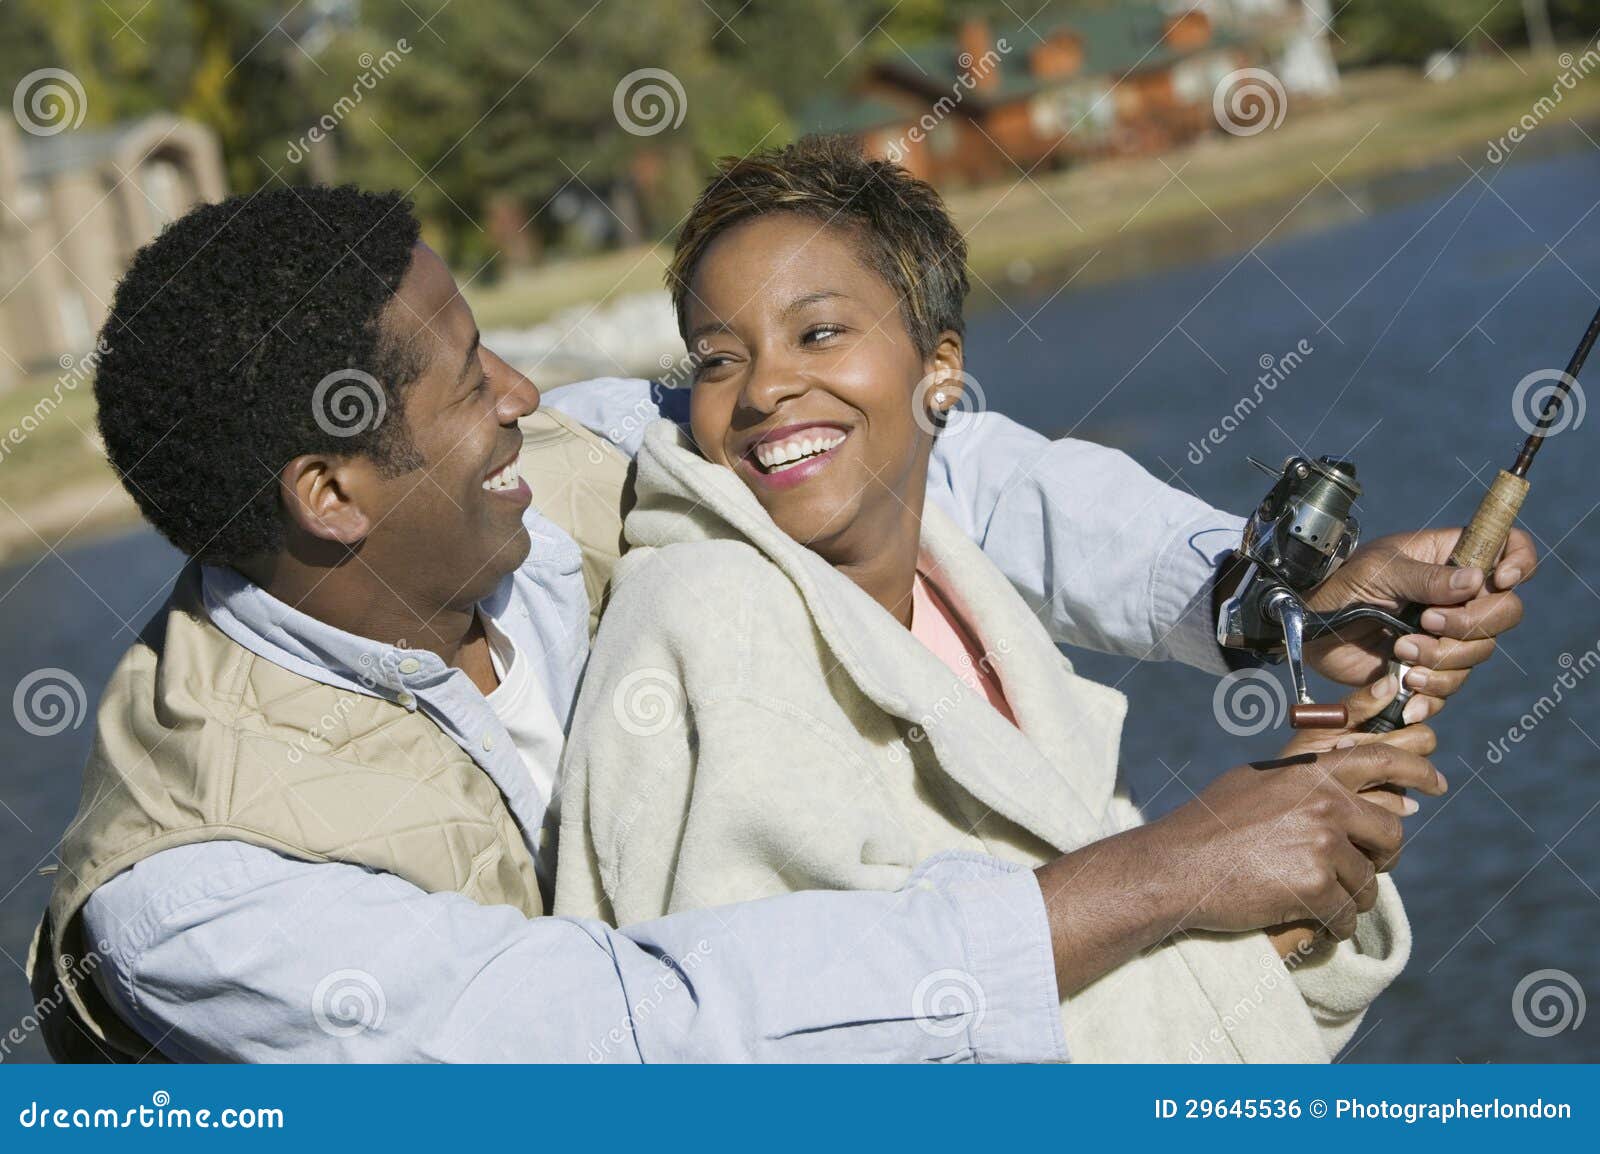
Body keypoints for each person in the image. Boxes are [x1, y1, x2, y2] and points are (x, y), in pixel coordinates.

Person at [29, 176, 1528, 1063]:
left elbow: (875, 458)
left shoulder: (551, 473)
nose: (527, 398)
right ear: (333, 491)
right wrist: (1152, 879)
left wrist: (1256, 592)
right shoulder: (198, 896)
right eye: (472, 375)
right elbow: (636, 1046)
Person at [550, 138, 1465, 1061]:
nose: (765, 390)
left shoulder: (965, 599)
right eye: (716, 360)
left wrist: (1308, 860)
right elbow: (779, 1044)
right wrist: (1189, 863)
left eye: (818, 332)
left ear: (941, 367)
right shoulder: (705, 621)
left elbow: (1092, 970)